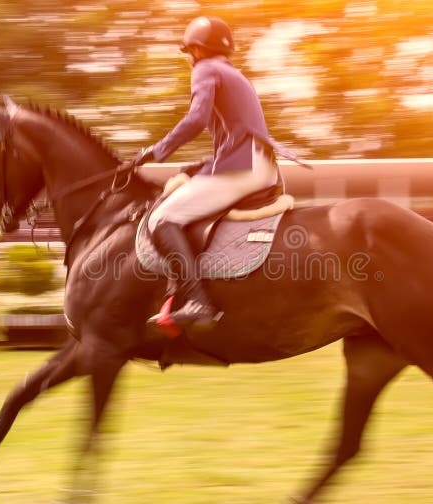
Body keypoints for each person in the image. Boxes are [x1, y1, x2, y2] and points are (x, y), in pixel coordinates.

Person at [127, 15, 306, 332]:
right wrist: (198, 166)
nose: (189, 58)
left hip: (244, 167)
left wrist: (154, 151)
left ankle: (198, 301)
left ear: (197, 49)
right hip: (262, 165)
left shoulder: (205, 69)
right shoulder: (233, 73)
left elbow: (196, 119)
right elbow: (233, 135)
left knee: (162, 219)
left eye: (189, 52)